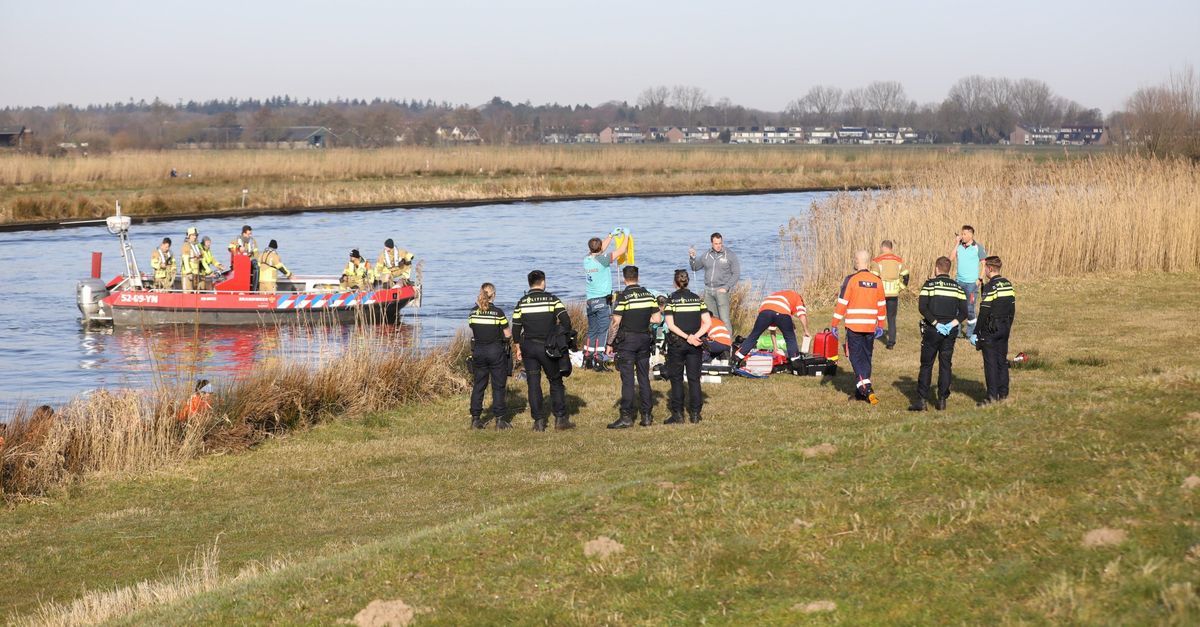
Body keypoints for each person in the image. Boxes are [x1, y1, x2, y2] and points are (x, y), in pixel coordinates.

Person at [512, 270, 574, 432]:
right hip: (549, 347)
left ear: (529, 283)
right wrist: (559, 335)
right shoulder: (552, 300)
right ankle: (560, 419)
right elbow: (567, 322)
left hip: (529, 347)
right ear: (543, 282)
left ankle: (538, 422)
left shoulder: (522, 302)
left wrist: (518, 347)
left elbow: (516, 329)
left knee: (533, 383)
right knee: (555, 381)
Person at [909, 257, 968, 412]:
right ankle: (942, 400)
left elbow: (923, 308)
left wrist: (935, 323)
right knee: (945, 364)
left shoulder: (929, 285)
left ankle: (922, 401)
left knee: (927, 364)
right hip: (950, 332)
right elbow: (964, 313)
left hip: (932, 330)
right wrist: (951, 325)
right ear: (949, 269)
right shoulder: (957, 288)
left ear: (936, 268)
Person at [606, 265, 661, 428]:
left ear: (624, 279)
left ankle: (626, 417)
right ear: (638, 277)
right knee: (644, 377)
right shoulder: (649, 295)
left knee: (628, 380)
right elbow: (657, 319)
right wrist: (643, 321)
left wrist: (609, 343)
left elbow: (615, 322)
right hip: (644, 339)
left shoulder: (623, 297)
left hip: (627, 342)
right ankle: (646, 416)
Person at [831, 250, 887, 404]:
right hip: (870, 326)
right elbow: (882, 304)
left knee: (855, 357)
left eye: (854, 259)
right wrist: (880, 324)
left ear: (857, 261)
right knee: (866, 357)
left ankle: (866, 388)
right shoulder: (877, 280)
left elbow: (842, 303)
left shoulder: (851, 279)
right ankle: (860, 392)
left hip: (854, 326)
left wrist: (834, 324)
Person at [663, 268, 711, 424]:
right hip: (695, 344)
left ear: (675, 282)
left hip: (677, 343)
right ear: (687, 281)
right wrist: (695, 337)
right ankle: (695, 414)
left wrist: (687, 337)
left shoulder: (671, 300)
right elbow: (708, 322)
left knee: (676, 379)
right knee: (694, 379)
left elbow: (670, 325)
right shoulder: (697, 299)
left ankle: (678, 415)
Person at [582, 230, 629, 371]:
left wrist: (610, 235)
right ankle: (599, 360)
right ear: (601, 248)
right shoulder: (603, 260)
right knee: (603, 331)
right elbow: (622, 250)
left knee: (592, 330)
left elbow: (600, 248)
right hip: (602, 301)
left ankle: (588, 357)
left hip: (590, 301)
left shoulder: (587, 259)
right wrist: (626, 235)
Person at [732, 290, 811, 374]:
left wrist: (775, 347)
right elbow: (802, 314)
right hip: (782, 312)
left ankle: (735, 360)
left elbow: (772, 328)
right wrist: (806, 331)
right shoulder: (797, 297)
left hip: (764, 311)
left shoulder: (776, 295)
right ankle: (796, 363)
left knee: (753, 336)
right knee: (790, 338)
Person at [468, 282, 512, 430]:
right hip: (495, 351)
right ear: (493, 295)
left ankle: (475, 419)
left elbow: (473, 328)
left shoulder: (473, 313)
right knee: (498, 386)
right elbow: (507, 334)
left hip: (479, 352)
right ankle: (500, 420)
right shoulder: (498, 313)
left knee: (479, 385)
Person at [973, 256, 1016, 406]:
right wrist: (1008, 326)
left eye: (985, 267)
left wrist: (975, 331)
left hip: (990, 329)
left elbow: (984, 311)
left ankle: (991, 397)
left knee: (990, 363)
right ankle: (1003, 393)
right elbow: (1012, 308)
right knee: (1002, 361)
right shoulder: (1007, 284)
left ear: (990, 269)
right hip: (1004, 326)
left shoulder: (991, 287)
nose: (984, 270)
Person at [688, 232, 740, 330]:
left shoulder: (729, 255)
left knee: (724, 319)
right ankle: (716, 342)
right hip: (708, 291)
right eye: (716, 244)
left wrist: (726, 287)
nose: (718, 246)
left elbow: (736, 273)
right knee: (712, 319)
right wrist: (692, 257)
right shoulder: (707, 255)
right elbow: (695, 267)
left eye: (720, 243)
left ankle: (728, 344)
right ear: (711, 243)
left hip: (721, 291)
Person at [949, 225, 987, 337]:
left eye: (964, 234)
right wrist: (956, 243)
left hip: (972, 284)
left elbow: (985, 265)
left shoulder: (978, 247)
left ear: (971, 235)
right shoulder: (959, 246)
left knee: (970, 309)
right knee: (957, 308)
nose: (962, 236)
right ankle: (957, 332)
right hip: (959, 282)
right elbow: (950, 259)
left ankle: (971, 333)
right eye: (962, 234)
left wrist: (980, 279)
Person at [871, 240, 910, 349]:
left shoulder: (877, 261)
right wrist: (900, 288)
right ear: (891, 248)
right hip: (893, 293)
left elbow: (874, 278)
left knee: (875, 315)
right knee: (891, 318)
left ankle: (871, 337)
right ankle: (891, 342)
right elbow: (906, 276)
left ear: (883, 247)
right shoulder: (899, 260)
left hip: (880, 293)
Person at [229, 224, 260, 290]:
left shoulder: (253, 241)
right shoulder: (235, 241)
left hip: (249, 261)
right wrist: (239, 247)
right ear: (244, 234)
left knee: (256, 267)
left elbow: (256, 253)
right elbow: (229, 248)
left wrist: (257, 261)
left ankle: (254, 290)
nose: (250, 235)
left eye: (251, 234)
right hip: (238, 264)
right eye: (249, 234)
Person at [180, 227, 203, 293]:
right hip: (188, 275)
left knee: (196, 293)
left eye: (196, 235)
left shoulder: (196, 246)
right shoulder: (186, 245)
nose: (195, 237)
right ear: (189, 236)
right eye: (193, 235)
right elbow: (185, 260)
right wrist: (189, 272)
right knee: (188, 293)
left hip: (196, 273)